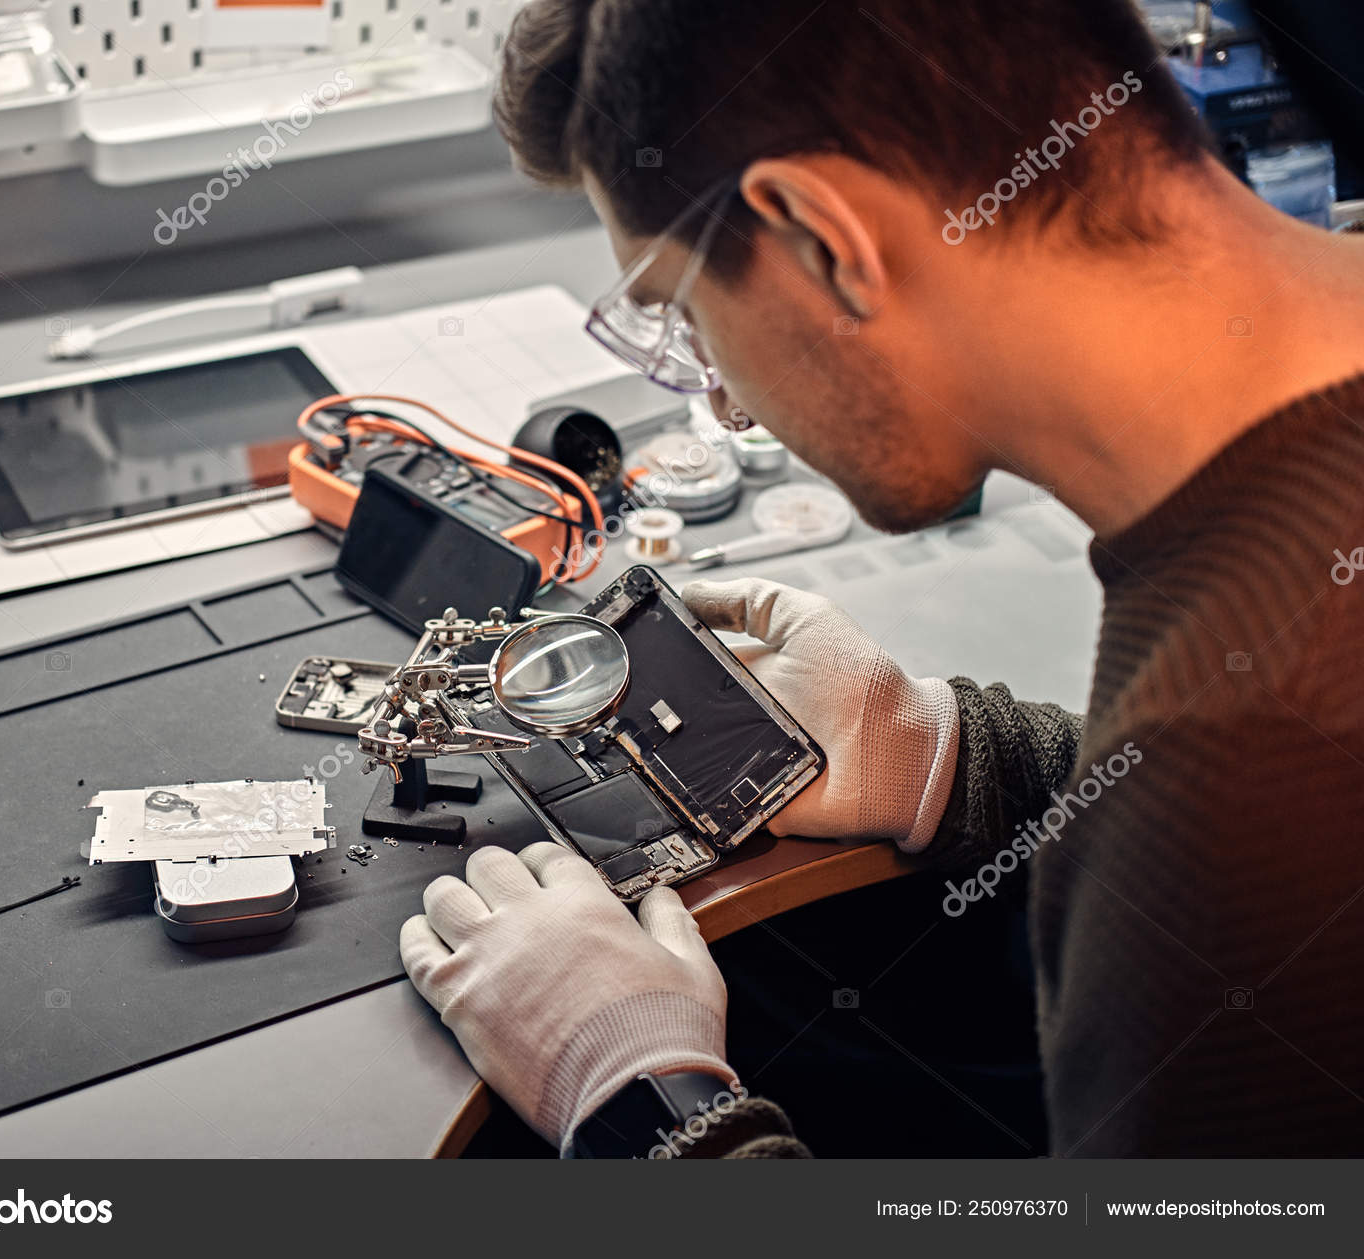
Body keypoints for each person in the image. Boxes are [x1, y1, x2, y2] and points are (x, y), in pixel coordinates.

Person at [398, 0, 1364, 1157]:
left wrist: (646, 1104)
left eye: (686, 316)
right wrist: (944, 754)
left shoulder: (1242, 753)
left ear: (823, 238)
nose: (721, 401)